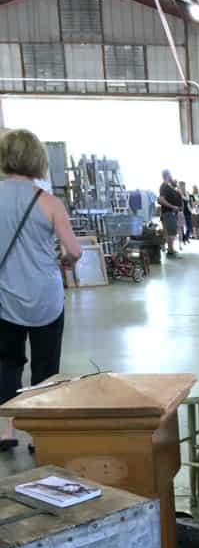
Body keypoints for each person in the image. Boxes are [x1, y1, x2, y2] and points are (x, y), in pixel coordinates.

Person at [0, 129, 82, 450]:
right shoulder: (48, 201)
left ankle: (6, 429)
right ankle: (39, 432)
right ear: (38, 160)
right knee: (46, 365)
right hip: (46, 298)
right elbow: (74, 250)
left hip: (5, 297)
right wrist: (65, 261)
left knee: (7, 363)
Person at [158, 169, 182, 257]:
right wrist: (173, 207)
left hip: (171, 213)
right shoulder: (164, 186)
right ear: (167, 175)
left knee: (171, 232)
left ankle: (171, 249)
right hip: (168, 213)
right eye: (170, 175)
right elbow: (161, 199)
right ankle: (170, 250)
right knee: (170, 232)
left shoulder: (168, 186)